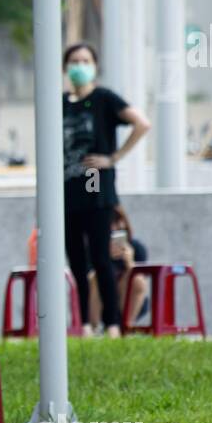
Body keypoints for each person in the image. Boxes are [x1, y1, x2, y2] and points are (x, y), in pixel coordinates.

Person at [61, 42, 151, 338]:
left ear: (95, 66)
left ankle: (112, 325)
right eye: (74, 60)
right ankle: (85, 324)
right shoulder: (60, 103)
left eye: (85, 60)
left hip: (97, 191)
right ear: (65, 67)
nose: (79, 65)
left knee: (102, 258)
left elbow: (141, 123)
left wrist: (113, 158)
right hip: (68, 193)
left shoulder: (104, 99)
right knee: (76, 261)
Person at [86, 206, 150, 330]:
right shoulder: (93, 248)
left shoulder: (136, 247)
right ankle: (96, 327)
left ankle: (126, 327)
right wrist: (103, 257)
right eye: (111, 224)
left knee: (137, 279)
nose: (115, 228)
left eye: (119, 223)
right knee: (96, 278)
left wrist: (130, 263)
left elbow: (143, 281)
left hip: (126, 298)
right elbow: (87, 276)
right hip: (99, 299)